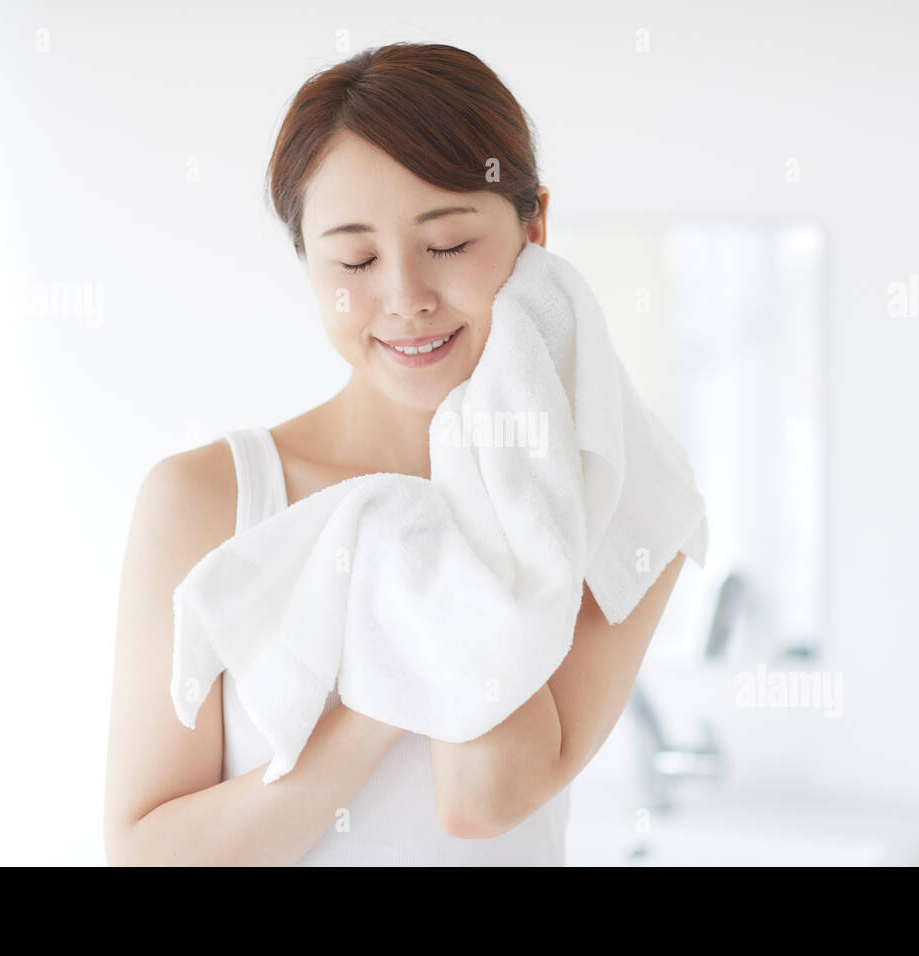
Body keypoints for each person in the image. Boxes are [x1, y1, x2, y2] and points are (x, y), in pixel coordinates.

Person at [103, 41, 686, 866]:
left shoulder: (617, 500)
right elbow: (145, 855)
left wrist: (476, 485)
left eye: (448, 244)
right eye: (356, 259)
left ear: (535, 227)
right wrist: (395, 658)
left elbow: (481, 797)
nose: (407, 298)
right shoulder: (205, 500)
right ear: (309, 261)